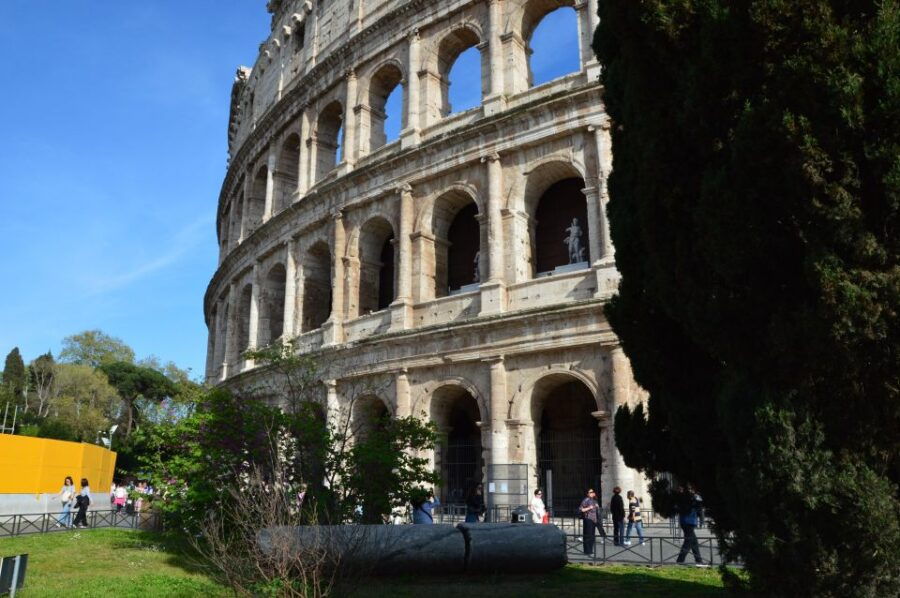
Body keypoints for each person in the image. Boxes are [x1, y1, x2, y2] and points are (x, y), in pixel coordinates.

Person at [675, 485, 706, 565]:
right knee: (688, 542)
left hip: (688, 521)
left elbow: (699, 507)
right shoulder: (687, 497)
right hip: (688, 522)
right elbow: (698, 506)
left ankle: (699, 561)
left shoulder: (688, 497)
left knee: (694, 542)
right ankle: (680, 561)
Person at [579, 488, 600, 555]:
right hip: (588, 519)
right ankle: (587, 551)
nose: (592, 493)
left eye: (592, 492)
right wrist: (589, 508)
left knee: (592, 535)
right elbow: (581, 509)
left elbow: (596, 510)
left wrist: (597, 506)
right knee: (587, 535)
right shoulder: (586, 500)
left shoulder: (594, 500)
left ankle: (590, 550)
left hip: (593, 520)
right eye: (590, 492)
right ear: (587, 494)